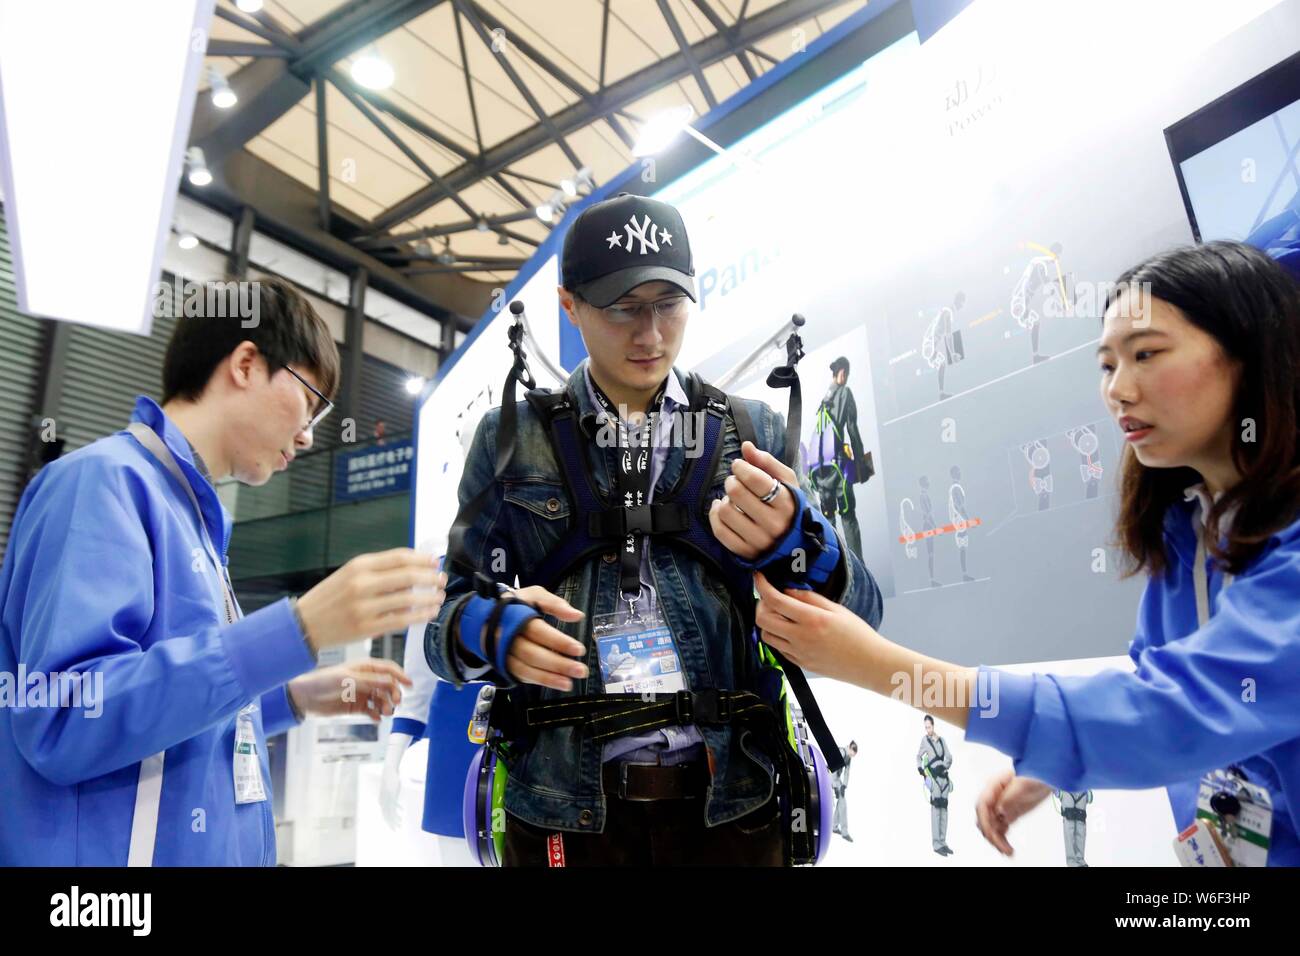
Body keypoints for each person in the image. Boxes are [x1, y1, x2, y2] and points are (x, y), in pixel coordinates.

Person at [749, 241, 1300, 865]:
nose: (1118, 389)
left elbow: (1171, 710)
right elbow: (1157, 685)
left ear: (1250, 350)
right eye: (1106, 364)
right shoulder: (1188, 533)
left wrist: (878, 666)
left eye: (1146, 354)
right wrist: (1058, 759)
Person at [426, 192, 884, 867]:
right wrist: (491, 629)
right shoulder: (510, 439)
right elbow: (443, 630)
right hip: (564, 816)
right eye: (622, 308)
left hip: (737, 809)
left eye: (668, 305)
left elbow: (865, 612)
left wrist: (804, 540)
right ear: (569, 305)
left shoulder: (748, 432)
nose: (651, 335)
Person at [0, 277, 444, 866]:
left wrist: (294, 695)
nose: (309, 435)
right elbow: (64, 716)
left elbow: (169, 726)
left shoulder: (198, 526)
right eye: (310, 399)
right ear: (245, 363)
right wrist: (299, 628)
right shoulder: (101, 483)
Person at [808, 357, 871, 560]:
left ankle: (835, 570)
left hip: (820, 473)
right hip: (839, 468)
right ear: (842, 373)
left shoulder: (823, 401)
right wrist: (861, 463)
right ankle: (859, 571)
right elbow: (852, 429)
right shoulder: (845, 393)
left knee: (829, 523)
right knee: (849, 517)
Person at [917, 715, 954, 856]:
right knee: (936, 809)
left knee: (944, 809)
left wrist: (944, 766)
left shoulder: (942, 741)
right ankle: (936, 844)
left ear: (933, 725)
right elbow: (918, 756)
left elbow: (949, 757)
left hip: (944, 778)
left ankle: (943, 842)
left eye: (929, 727)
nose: (928, 730)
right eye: (925, 727)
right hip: (933, 778)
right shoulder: (924, 741)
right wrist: (920, 769)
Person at [1055, 789, 1092, 867]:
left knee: (1081, 825)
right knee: (1069, 825)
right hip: (1066, 789)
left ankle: (1080, 859)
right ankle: (1072, 861)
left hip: (1082, 789)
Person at [831, 740, 857, 842]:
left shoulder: (849, 758)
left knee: (842, 802)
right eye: (852, 753)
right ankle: (840, 830)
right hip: (830, 776)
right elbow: (832, 767)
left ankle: (835, 827)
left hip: (837, 779)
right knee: (840, 803)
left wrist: (844, 786)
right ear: (850, 748)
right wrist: (834, 786)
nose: (852, 756)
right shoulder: (842, 752)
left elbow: (847, 772)